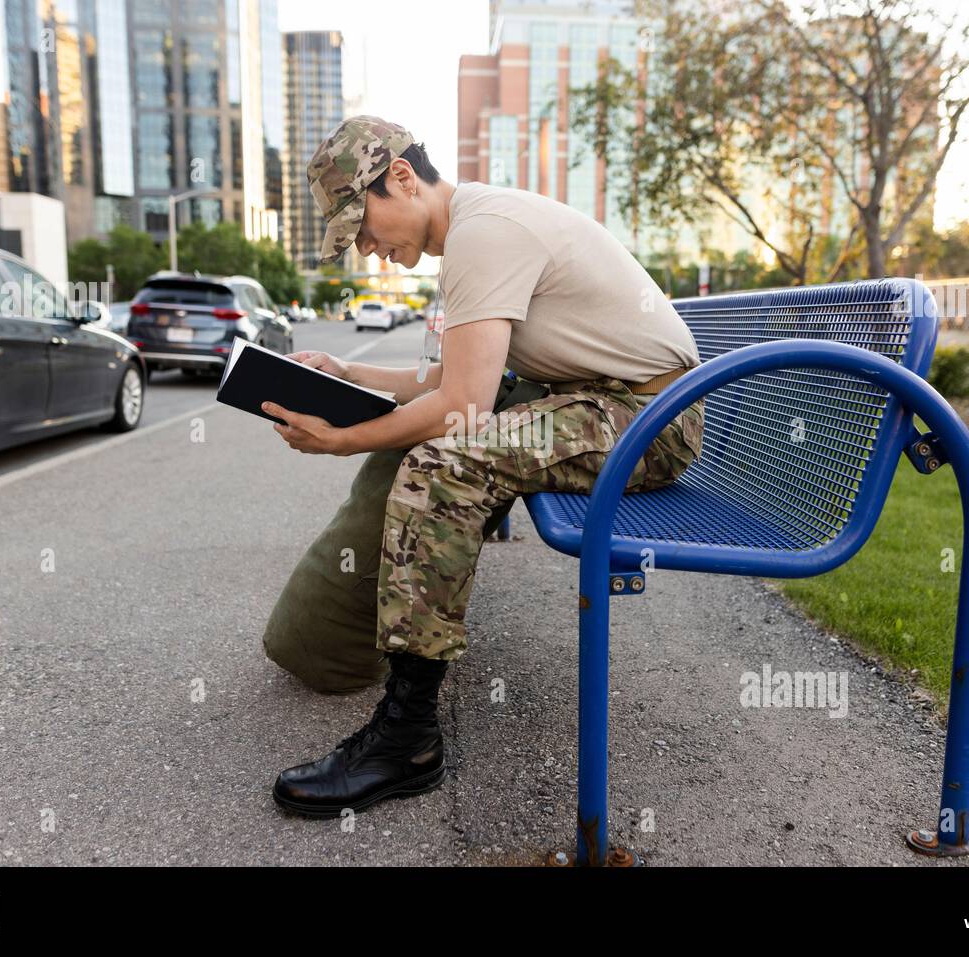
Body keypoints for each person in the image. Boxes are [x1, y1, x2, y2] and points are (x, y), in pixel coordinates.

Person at [265, 115, 704, 817]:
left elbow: (458, 407)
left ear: (402, 176)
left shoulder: (482, 231)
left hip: (653, 421)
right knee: (450, 449)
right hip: (612, 406)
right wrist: (344, 368)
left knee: (444, 464)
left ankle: (406, 738)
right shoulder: (474, 228)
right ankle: (406, 723)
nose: (370, 250)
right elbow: (448, 378)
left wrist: (343, 439)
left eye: (366, 226)